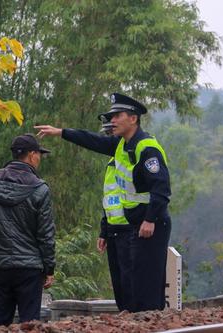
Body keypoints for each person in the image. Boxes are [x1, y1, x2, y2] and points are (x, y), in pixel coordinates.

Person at [35, 93, 171, 312]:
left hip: (151, 225)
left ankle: (152, 326)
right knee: (130, 288)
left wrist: (150, 219)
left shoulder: (146, 148)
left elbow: (162, 189)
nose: (112, 120)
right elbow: (92, 140)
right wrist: (61, 132)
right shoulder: (121, 146)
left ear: (133, 118)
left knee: (145, 288)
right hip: (134, 224)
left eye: (117, 115)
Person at [0, 133, 56, 327]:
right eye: (39, 154)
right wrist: (49, 267)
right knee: (29, 325)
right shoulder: (39, 188)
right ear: (32, 155)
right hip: (29, 269)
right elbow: (46, 234)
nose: (40, 159)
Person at [97, 117, 133, 312]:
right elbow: (109, 199)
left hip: (130, 229)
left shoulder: (129, 158)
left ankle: (133, 317)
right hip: (114, 230)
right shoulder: (112, 163)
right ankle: (124, 314)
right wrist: (104, 231)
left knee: (130, 279)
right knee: (118, 280)